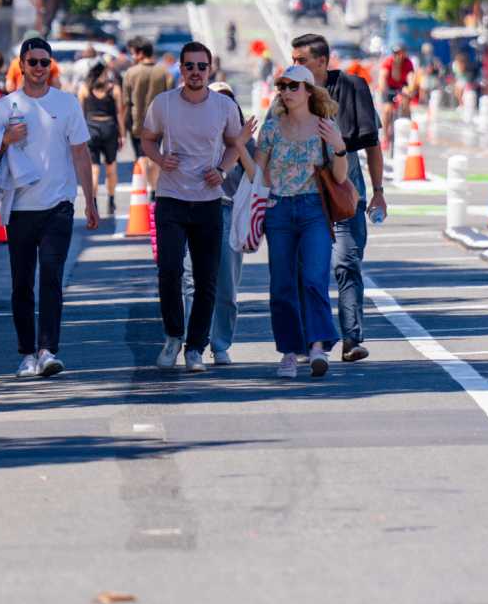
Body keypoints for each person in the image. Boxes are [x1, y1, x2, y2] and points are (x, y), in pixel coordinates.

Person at [0, 37, 101, 380]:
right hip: (18, 208)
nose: (38, 68)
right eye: (32, 62)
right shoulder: (5, 106)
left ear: (51, 66)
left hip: (57, 206)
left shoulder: (66, 104)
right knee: (21, 283)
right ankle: (25, 354)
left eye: (44, 62)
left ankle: (48, 350)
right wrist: (5, 139)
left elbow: (81, 153)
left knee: (51, 277)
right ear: (21, 65)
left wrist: (89, 201)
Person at [138, 40, 244, 373]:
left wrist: (222, 170)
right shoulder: (164, 103)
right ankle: (173, 335)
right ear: (181, 69)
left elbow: (235, 145)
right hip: (170, 198)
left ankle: (196, 347)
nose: (196, 72)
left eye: (202, 67)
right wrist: (158, 157)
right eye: (190, 67)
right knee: (169, 271)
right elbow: (146, 138)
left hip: (208, 202)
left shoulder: (223, 107)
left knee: (206, 279)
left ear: (209, 69)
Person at [291, 33, 383, 362]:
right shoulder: (291, 92)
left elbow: (372, 144)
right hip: (304, 198)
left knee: (347, 264)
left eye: (301, 60)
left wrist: (379, 192)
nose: (295, 66)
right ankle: (313, 341)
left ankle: (352, 339)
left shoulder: (352, 89)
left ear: (322, 61)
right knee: (310, 272)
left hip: (347, 196)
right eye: (293, 60)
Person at [253, 65, 345, 379]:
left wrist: (339, 145)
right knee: (281, 285)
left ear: (308, 91)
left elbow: (340, 176)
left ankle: (317, 347)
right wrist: (240, 146)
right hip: (278, 210)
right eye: (283, 86)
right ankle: (289, 353)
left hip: (313, 210)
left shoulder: (324, 126)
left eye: (294, 86)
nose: (287, 92)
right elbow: (257, 172)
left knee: (314, 279)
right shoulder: (270, 128)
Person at [206, 80, 257, 366]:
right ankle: (194, 340)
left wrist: (240, 143)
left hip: (230, 211)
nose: (223, 105)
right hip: (197, 209)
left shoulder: (244, 137)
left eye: (228, 99)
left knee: (226, 283)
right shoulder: (198, 129)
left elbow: (257, 175)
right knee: (192, 280)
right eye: (217, 99)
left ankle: (221, 343)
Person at [120, 37, 172, 185]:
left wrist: (122, 129)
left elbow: (125, 102)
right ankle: (154, 189)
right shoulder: (164, 72)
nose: (132, 57)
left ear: (140, 53)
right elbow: (171, 98)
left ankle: (143, 186)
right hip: (159, 122)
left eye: (133, 53)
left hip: (137, 123)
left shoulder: (131, 73)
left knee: (141, 156)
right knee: (155, 155)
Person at [81, 61, 125, 216]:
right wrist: (123, 134)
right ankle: (111, 200)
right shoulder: (114, 89)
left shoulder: (85, 88)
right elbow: (120, 113)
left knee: (94, 170)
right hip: (109, 128)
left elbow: (81, 114)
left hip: (91, 128)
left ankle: (93, 203)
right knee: (111, 167)